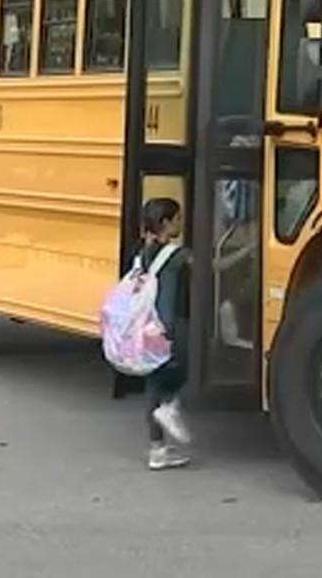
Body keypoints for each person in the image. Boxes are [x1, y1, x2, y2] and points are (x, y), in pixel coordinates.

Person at [137, 196, 195, 470]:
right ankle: (171, 406)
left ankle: (157, 449)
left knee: (154, 385)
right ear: (165, 223)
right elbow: (212, 269)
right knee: (185, 371)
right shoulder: (177, 255)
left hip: (148, 326)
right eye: (177, 219)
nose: (180, 223)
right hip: (173, 325)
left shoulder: (142, 253)